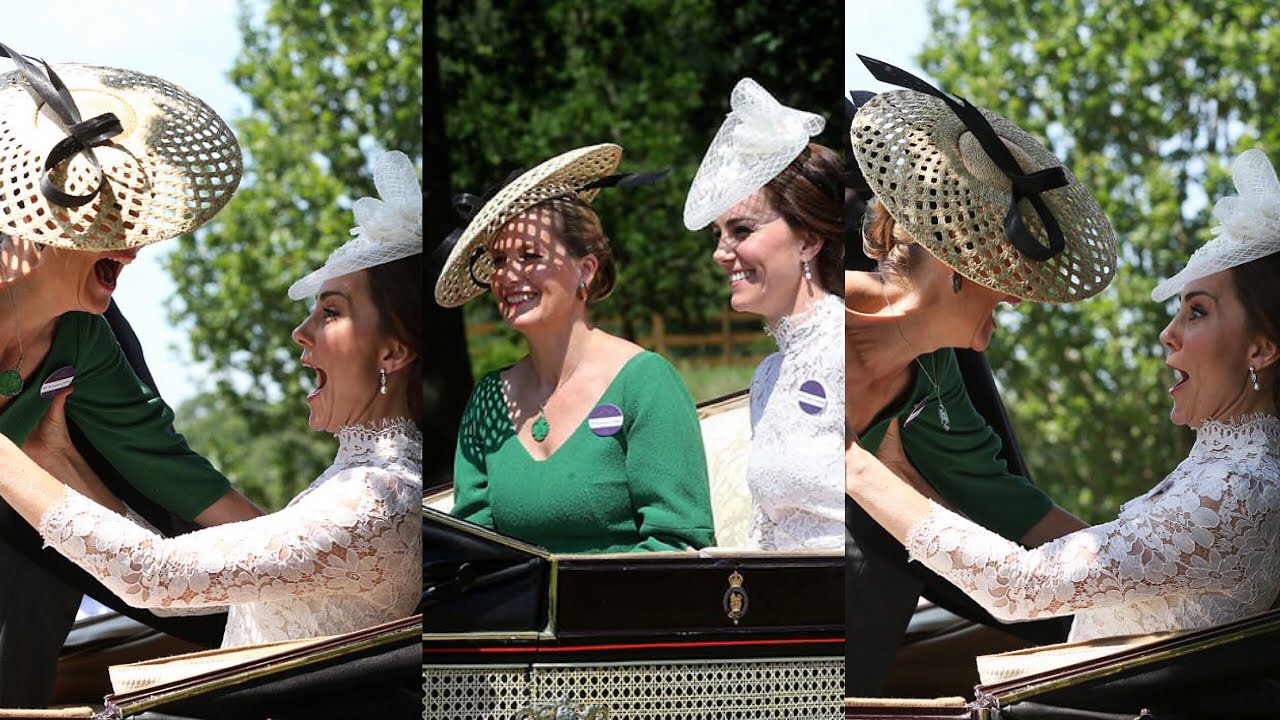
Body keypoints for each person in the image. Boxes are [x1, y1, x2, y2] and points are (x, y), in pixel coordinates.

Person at [848, 146, 1280, 643]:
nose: (1167, 333)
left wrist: (852, 465)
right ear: (958, 262)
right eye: (1006, 265)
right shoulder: (1229, 478)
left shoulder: (1239, 489)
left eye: (1197, 311)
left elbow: (1019, 582)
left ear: (1263, 349)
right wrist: (897, 473)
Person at [1, 148, 423, 648]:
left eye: (330, 312)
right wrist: (58, 456)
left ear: (393, 353)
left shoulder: (378, 498)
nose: (299, 332)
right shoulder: (364, 485)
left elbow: (156, 577)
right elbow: (170, 587)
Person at [842, 56, 1120, 693]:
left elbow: (1016, 510)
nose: (1020, 299)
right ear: (958, 268)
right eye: (1009, 280)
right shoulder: (818, 316)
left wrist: (1147, 565)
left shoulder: (938, 381)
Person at [0, 45, 261, 705]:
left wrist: (300, 561)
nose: (137, 241)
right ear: (40, 214)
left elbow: (164, 466)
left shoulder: (85, 333)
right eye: (110, 214)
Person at [435, 143, 716, 554]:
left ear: (585, 269)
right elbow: (473, 549)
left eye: (530, 255)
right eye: (498, 261)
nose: (509, 276)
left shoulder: (645, 383)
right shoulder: (487, 402)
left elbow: (678, 544)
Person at [683, 78, 844, 550]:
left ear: (808, 240)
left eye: (741, 230)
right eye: (718, 234)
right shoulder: (768, 374)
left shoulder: (850, 344)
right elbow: (770, 530)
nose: (720, 252)